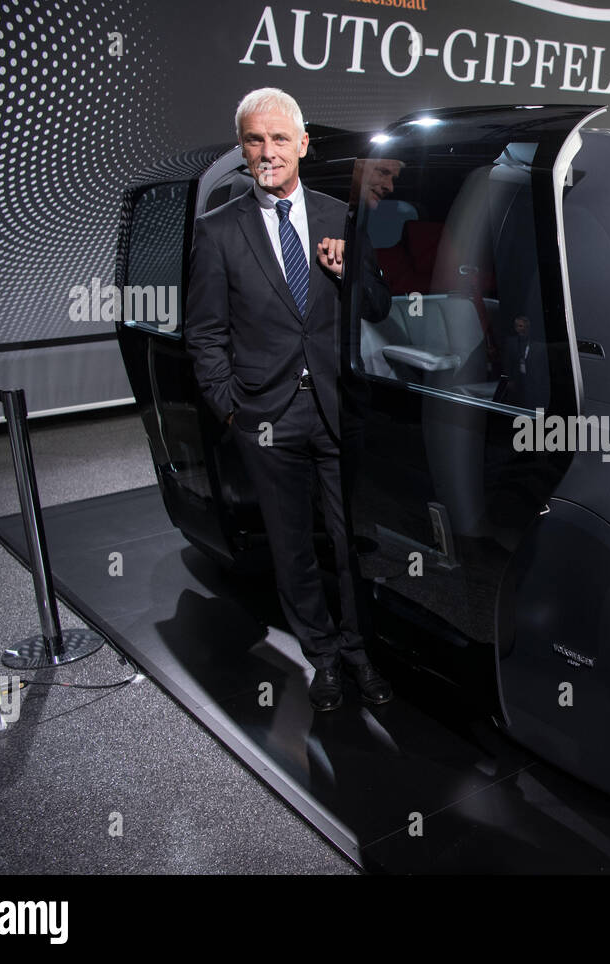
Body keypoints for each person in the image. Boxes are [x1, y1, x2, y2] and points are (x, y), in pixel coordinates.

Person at [184, 88, 393, 711]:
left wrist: (350, 271)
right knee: (292, 547)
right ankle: (323, 658)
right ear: (244, 149)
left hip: (338, 410)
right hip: (266, 418)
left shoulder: (339, 217)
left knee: (351, 541)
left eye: (279, 139)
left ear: (303, 144)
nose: (267, 151)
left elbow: (379, 307)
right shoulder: (217, 232)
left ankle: (362, 654)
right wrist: (231, 410)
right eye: (254, 140)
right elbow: (204, 334)